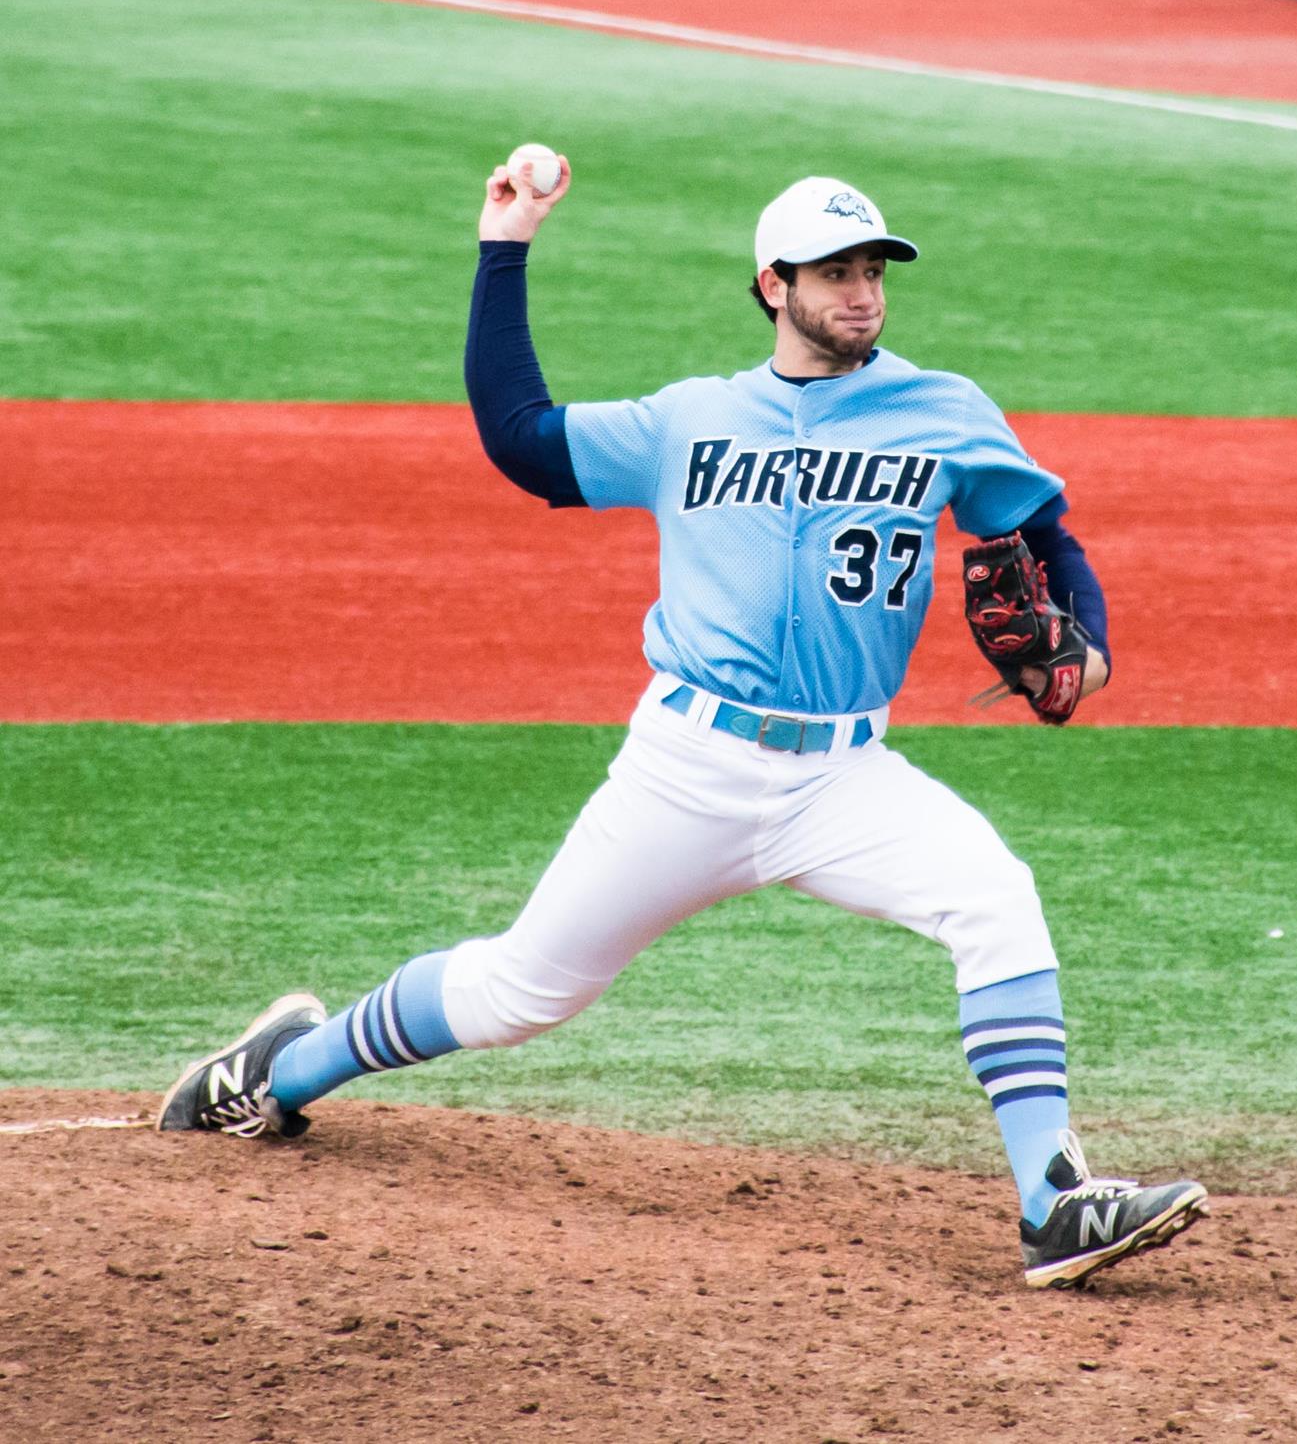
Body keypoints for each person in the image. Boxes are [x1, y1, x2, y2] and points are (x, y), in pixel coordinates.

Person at [157, 158, 1207, 1289]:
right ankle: (275, 1074)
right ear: (773, 285)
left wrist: (1092, 645)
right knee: (520, 994)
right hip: (687, 766)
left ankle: (1053, 1202)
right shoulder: (689, 419)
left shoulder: (943, 411)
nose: (862, 293)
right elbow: (520, 439)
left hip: (844, 778)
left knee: (994, 896)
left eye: (873, 271)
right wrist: (505, 248)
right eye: (835, 273)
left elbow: (1043, 531)